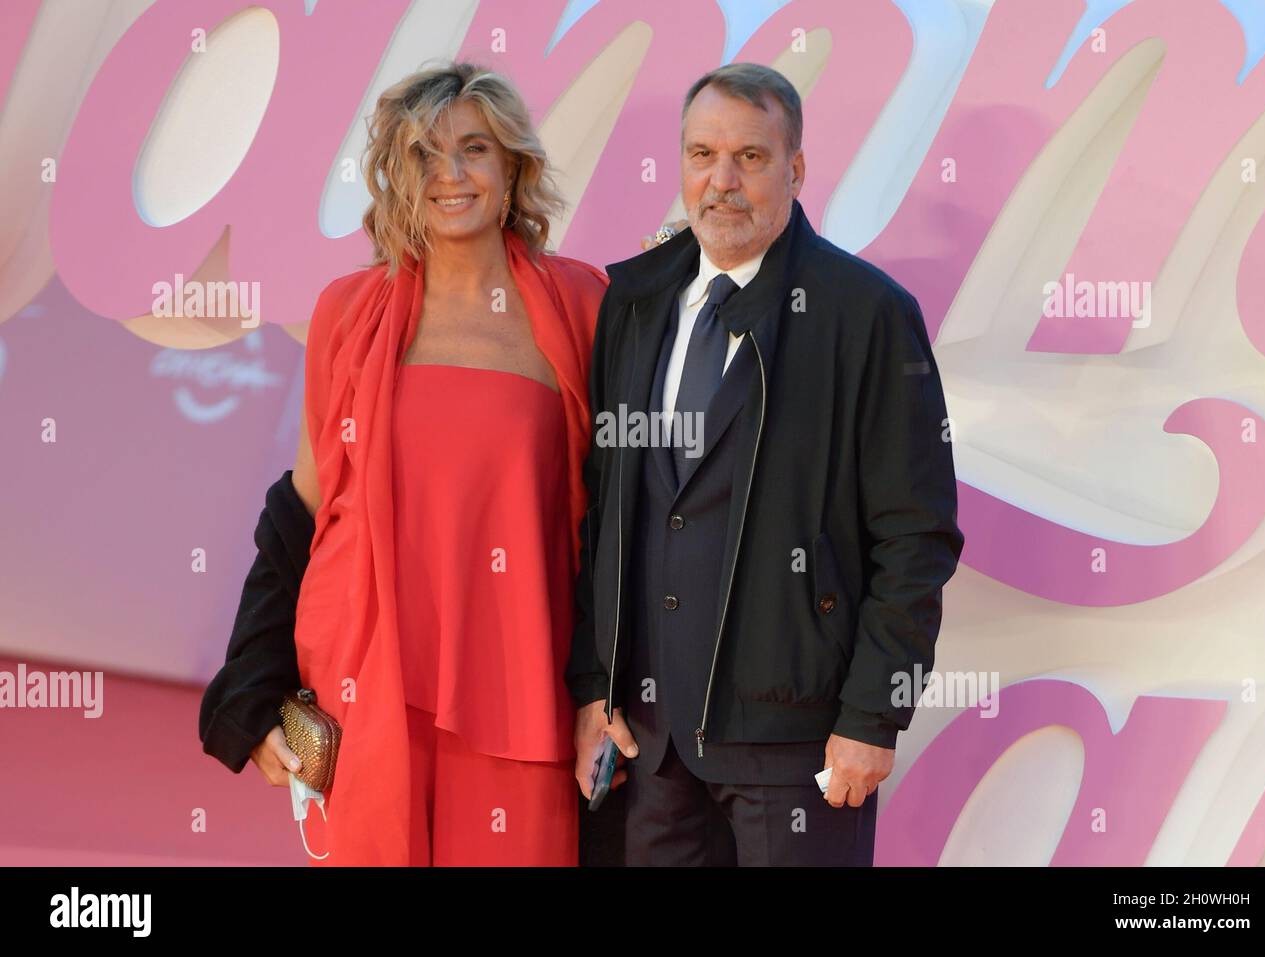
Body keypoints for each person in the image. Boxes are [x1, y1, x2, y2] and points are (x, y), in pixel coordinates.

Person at [200, 62, 607, 866]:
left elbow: (619, 519)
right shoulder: (349, 313)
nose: (449, 176)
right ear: (395, 174)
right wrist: (249, 686)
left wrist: (611, 691)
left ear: (514, 166)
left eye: (474, 150)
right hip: (367, 695)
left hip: (523, 695)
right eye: (423, 154)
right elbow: (302, 512)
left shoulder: (582, 306)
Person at [566, 63, 965, 866]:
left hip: (802, 746)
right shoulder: (632, 307)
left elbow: (916, 538)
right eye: (701, 154)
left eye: (750, 157)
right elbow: (606, 511)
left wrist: (870, 716)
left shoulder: (869, 315)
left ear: (797, 169)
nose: (722, 182)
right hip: (651, 743)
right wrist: (594, 685)